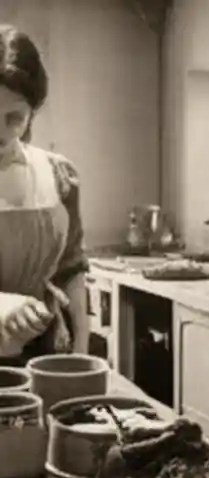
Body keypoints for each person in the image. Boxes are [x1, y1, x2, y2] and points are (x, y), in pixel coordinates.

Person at [0, 24, 87, 364]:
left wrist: (81, 353)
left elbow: (72, 269)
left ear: (32, 112)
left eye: (13, 118)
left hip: (43, 355)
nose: (0, 134)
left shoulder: (57, 174)